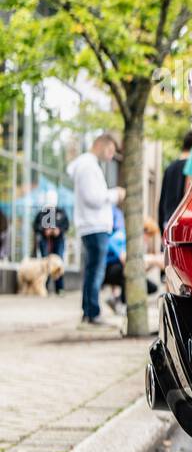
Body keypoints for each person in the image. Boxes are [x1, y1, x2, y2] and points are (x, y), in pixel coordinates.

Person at [68, 133, 125, 326]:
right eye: (110, 150)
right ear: (101, 145)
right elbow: (93, 198)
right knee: (95, 272)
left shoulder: (87, 165)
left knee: (93, 271)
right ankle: (92, 313)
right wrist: (115, 194)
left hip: (93, 225)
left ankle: (89, 312)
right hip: (94, 226)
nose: (110, 156)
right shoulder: (88, 166)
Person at [32, 191, 70, 295]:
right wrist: (44, 230)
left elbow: (66, 225)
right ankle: (44, 287)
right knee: (45, 264)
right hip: (45, 241)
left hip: (58, 242)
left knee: (58, 263)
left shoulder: (61, 213)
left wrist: (59, 230)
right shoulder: (42, 213)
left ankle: (59, 288)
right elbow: (36, 226)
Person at [158, 130, 192, 230]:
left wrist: (161, 224)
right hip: (182, 221)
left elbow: (162, 200)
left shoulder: (169, 168)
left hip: (167, 220)